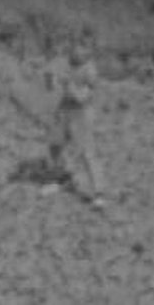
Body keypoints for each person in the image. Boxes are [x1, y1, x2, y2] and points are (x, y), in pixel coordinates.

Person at [42, 48, 107, 208]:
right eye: (74, 47)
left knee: (86, 151)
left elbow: (81, 98)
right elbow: (51, 87)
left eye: (80, 48)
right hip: (64, 109)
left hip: (81, 114)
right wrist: (49, 78)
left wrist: (68, 83)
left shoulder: (90, 71)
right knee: (55, 145)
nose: (74, 52)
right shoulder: (65, 64)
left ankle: (98, 193)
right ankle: (63, 178)